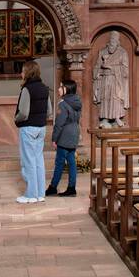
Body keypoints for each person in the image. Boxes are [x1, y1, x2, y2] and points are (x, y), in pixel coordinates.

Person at [15, 61, 51, 204]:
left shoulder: (27, 89)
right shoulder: (44, 88)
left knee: (29, 161)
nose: (21, 74)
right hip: (41, 128)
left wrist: (16, 119)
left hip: (28, 128)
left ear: (28, 72)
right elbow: (49, 111)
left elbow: (23, 112)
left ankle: (31, 195)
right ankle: (40, 193)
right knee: (38, 161)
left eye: (23, 71)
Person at [46, 78, 82, 197]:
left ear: (67, 89)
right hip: (74, 133)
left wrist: (54, 139)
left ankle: (53, 187)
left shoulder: (63, 104)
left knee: (59, 162)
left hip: (64, 136)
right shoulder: (77, 101)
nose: (59, 89)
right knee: (71, 161)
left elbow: (59, 123)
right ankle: (72, 188)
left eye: (61, 87)